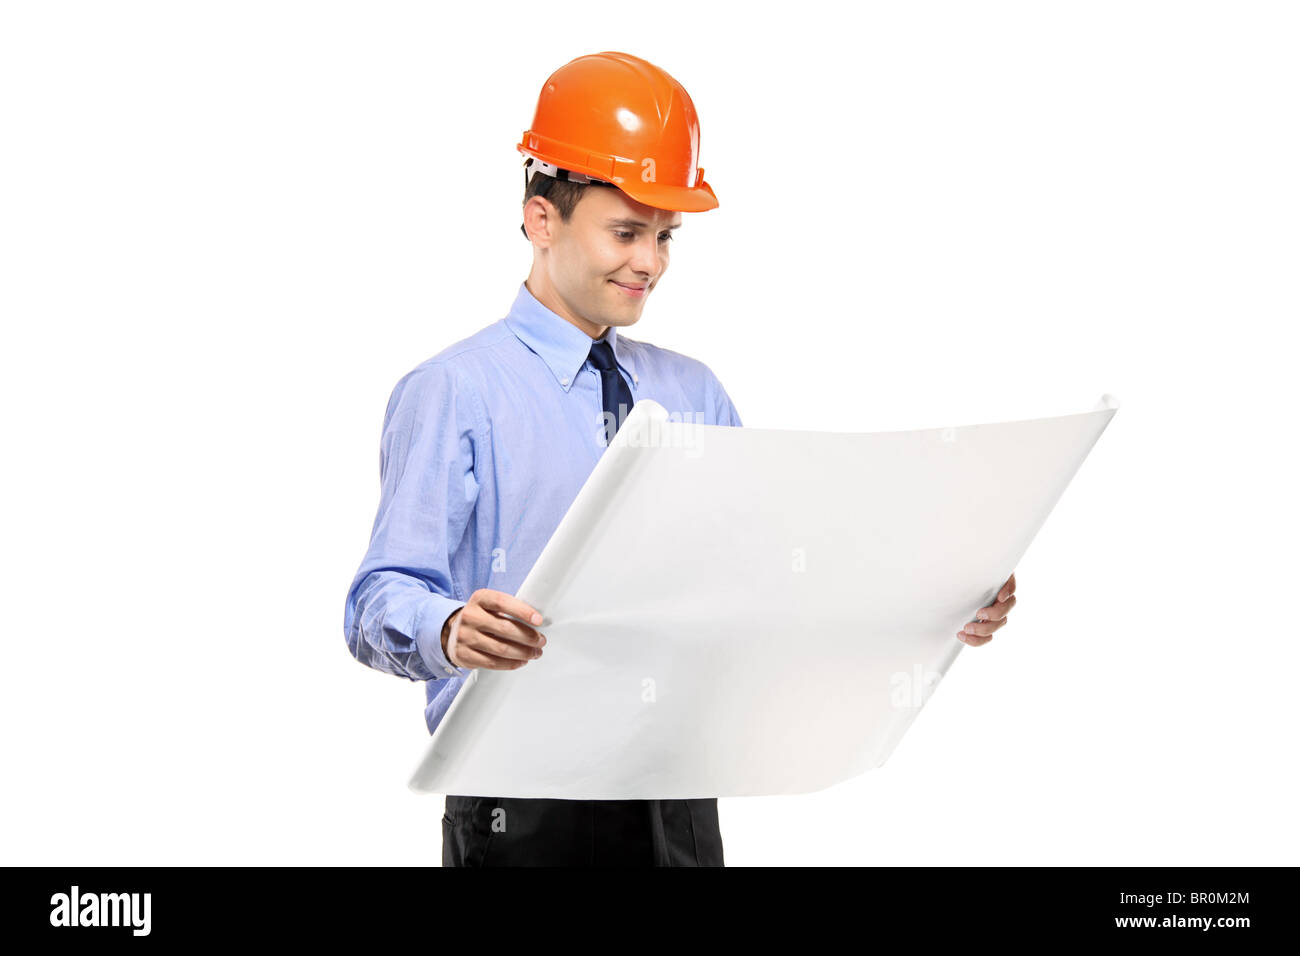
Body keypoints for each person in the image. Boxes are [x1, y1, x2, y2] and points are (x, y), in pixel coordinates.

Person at [343, 51, 1019, 867]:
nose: (652, 263)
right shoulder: (454, 391)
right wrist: (449, 628)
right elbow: (379, 596)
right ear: (542, 219)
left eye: (666, 236)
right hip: (520, 808)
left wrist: (935, 601)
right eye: (627, 231)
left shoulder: (692, 391)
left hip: (680, 797)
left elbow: (774, 579)